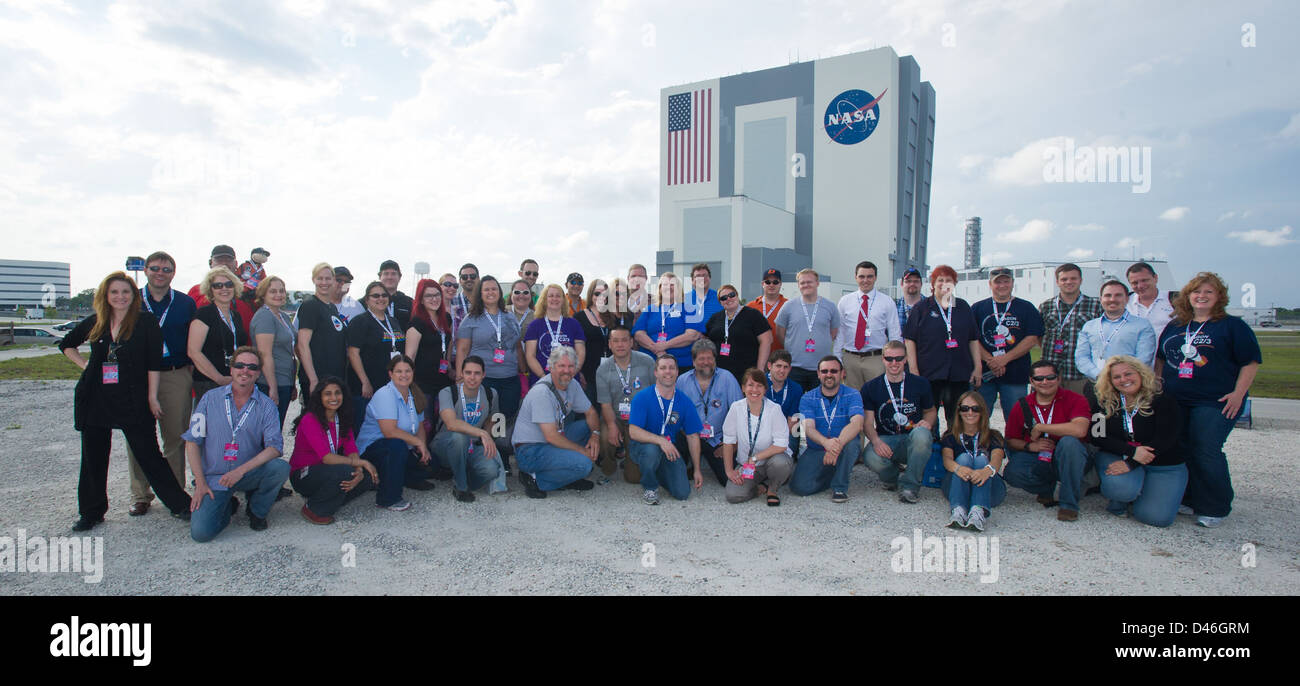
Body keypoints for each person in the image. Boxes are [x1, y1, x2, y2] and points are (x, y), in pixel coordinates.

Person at [60, 272, 193, 531]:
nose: (120, 297)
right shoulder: (96, 321)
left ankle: (179, 505)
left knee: (149, 454)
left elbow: (154, 363)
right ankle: (91, 512)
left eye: (125, 292)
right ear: (105, 296)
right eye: (114, 292)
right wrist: (85, 366)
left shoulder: (145, 322)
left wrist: (152, 397)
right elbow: (67, 344)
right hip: (96, 397)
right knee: (93, 457)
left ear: (133, 296)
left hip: (132, 397)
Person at [1154, 272, 1261, 528]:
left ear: (1218, 297)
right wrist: (1158, 381)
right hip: (1177, 398)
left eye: (1208, 292)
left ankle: (1215, 505)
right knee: (1181, 446)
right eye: (1196, 292)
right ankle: (1189, 497)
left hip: (1215, 400)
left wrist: (1238, 394)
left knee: (1205, 449)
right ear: (1188, 297)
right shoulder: (1177, 325)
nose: (1201, 297)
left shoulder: (1231, 326)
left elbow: (1251, 362)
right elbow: (1160, 357)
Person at [183, 346, 290, 541]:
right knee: (201, 533)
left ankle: (256, 511)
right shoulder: (209, 399)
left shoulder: (266, 405)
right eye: (240, 365)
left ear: (258, 373)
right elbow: (192, 442)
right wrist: (200, 482)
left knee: (280, 468)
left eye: (252, 367)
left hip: (247, 472)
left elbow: (275, 448)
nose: (245, 371)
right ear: (231, 369)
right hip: (215, 477)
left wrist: (240, 471)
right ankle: (227, 505)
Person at [124, 251, 196, 518]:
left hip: (173, 373)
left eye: (166, 269)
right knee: (137, 438)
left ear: (173, 273)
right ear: (145, 271)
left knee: (175, 437)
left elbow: (192, 339)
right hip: (137, 377)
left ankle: (175, 493)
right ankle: (141, 494)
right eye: (155, 268)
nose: (160, 273)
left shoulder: (185, 303)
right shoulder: (131, 300)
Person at [1091, 356, 1185, 527]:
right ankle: (1123, 497)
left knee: (1156, 518)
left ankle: (1144, 492)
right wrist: (1132, 452)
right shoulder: (1103, 401)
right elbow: (1098, 436)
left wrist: (1133, 463)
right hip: (1120, 456)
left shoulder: (1163, 400)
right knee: (1121, 489)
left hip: (1162, 464)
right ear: (1110, 381)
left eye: (1128, 374)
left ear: (1141, 374)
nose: (1124, 380)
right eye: (1117, 377)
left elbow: (1166, 438)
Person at [1002, 360, 1092, 521]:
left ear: (1058, 378)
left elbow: (1080, 430)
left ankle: (1068, 504)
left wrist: (1042, 427)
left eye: (1050, 377)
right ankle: (1048, 488)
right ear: (1031, 381)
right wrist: (1030, 446)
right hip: (1038, 456)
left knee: (1069, 443)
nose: (1045, 382)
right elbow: (1010, 440)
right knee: (1012, 473)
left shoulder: (1075, 400)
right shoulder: (1022, 404)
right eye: (1039, 378)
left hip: (1068, 456)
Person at [511, 345, 602, 498]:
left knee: (590, 426)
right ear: (551, 367)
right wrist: (582, 451)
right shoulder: (542, 392)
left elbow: (591, 412)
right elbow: (551, 437)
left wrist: (595, 435)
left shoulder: (573, 384)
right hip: (531, 449)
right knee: (584, 464)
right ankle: (534, 479)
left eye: (571, 366)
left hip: (552, 439)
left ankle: (566, 474)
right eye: (561, 366)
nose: (567, 370)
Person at [903, 265, 982, 436]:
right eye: (940, 280)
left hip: (959, 373)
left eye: (949, 280)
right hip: (929, 373)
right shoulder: (922, 308)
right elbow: (910, 339)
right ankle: (932, 453)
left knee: (957, 417)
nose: (944, 284)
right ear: (933, 284)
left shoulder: (963, 307)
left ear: (954, 283)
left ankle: (953, 452)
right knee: (929, 416)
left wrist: (978, 367)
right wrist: (914, 369)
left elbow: (973, 339)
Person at [288, 377, 378, 524]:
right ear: (320, 397)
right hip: (303, 474)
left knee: (367, 476)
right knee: (344, 471)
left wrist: (359, 470)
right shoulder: (310, 419)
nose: (334, 398)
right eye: (328, 394)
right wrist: (358, 462)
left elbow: (351, 449)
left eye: (338, 393)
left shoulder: (341, 418)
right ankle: (313, 508)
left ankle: (327, 500)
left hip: (326, 471)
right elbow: (327, 458)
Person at [354, 355, 436, 511]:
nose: (404, 375)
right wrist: (417, 443)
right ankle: (388, 498)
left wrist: (422, 447)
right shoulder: (385, 394)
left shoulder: (413, 395)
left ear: (413, 372)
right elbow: (389, 431)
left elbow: (419, 427)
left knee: (432, 462)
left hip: (402, 447)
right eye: (399, 371)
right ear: (390, 374)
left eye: (407, 371)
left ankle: (400, 477)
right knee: (396, 446)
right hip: (375, 449)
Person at [860, 340, 937, 503]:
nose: (894, 363)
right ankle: (891, 478)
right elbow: (867, 423)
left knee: (923, 435)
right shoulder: (870, 387)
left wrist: (927, 423)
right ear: (883, 360)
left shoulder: (920, 383)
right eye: (889, 359)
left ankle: (910, 486)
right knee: (870, 455)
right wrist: (876, 441)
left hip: (912, 437)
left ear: (906, 359)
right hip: (887, 439)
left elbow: (930, 411)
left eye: (898, 358)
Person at [627, 354, 704, 504]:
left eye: (671, 368)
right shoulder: (642, 397)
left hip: (668, 449)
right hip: (643, 447)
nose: (667, 372)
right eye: (663, 368)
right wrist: (661, 441)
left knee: (682, 493)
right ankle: (650, 487)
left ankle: (657, 472)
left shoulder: (685, 401)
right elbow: (633, 432)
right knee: (652, 451)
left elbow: (693, 436)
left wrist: (697, 469)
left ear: (677, 372)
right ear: (656, 372)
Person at [433, 356, 509, 502]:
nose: (472, 377)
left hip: (473, 445)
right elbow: (451, 423)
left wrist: (488, 437)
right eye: (468, 373)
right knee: (459, 437)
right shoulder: (448, 392)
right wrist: (481, 433)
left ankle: (462, 477)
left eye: (477, 373)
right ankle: (461, 487)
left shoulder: (491, 393)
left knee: (491, 470)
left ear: (484, 375)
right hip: (446, 444)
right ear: (461, 373)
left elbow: (492, 419)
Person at [790, 355, 864, 502]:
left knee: (853, 444)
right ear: (818, 374)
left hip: (843, 446)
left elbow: (857, 424)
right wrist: (826, 443)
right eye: (824, 371)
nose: (828, 374)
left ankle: (840, 487)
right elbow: (808, 428)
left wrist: (835, 447)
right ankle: (833, 471)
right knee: (799, 488)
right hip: (817, 448)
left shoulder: (853, 394)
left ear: (842, 373)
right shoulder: (808, 398)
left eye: (833, 371)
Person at [973, 266, 1043, 419]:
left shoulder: (1026, 308)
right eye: (998, 282)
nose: (1002, 285)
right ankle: (980, 443)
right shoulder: (978, 308)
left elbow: (1032, 338)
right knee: (978, 418)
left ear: (1012, 283)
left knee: (1016, 419)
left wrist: (1005, 359)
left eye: (1006, 281)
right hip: (985, 374)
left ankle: (1012, 444)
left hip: (1015, 374)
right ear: (990, 285)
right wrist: (991, 360)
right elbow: (971, 338)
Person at [456, 275, 526, 425]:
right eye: (486, 289)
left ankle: (498, 446)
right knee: (484, 419)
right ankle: (484, 447)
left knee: (505, 419)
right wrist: (460, 377)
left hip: (510, 378)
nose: (490, 292)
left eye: (494, 289)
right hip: (483, 379)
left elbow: (517, 346)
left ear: (499, 292)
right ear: (480, 294)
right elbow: (462, 350)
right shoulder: (471, 319)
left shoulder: (510, 317)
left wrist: (524, 370)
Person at [676, 339, 744, 486]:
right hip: (690, 436)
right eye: (701, 358)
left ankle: (703, 463)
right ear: (693, 361)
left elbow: (740, 413)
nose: (706, 362)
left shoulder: (727, 378)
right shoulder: (682, 381)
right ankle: (686, 465)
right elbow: (675, 412)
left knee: (727, 481)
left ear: (715, 359)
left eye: (709, 358)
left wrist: (731, 444)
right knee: (676, 443)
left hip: (718, 439)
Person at [721, 368, 794, 505]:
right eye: (750, 385)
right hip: (747, 465)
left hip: (771, 461)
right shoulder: (736, 408)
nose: (755, 390)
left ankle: (772, 489)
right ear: (743, 388)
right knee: (733, 496)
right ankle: (761, 488)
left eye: (759, 385)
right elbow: (728, 440)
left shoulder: (774, 409)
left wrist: (755, 458)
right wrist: (729, 470)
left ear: (765, 389)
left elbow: (781, 444)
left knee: (781, 463)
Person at [939, 392, 1007, 531]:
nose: (970, 412)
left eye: (975, 409)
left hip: (989, 489)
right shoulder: (950, 436)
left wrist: (986, 471)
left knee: (981, 459)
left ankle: (978, 512)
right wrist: (959, 468)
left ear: (982, 411)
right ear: (958, 411)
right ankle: (958, 511)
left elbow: (997, 458)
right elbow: (947, 460)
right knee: (964, 458)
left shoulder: (993, 436)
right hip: (957, 486)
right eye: (965, 408)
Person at [595, 326, 654, 482]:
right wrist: (613, 426)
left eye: (624, 340)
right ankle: (609, 462)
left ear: (631, 342)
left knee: (634, 479)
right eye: (615, 341)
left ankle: (630, 460)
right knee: (607, 435)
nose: (620, 345)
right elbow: (605, 404)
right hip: (615, 417)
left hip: (640, 420)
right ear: (609, 344)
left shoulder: (647, 362)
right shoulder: (602, 369)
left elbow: (657, 393)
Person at [347, 281, 407, 429]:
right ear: (367, 300)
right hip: (367, 387)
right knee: (364, 426)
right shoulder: (360, 322)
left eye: (384, 295)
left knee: (387, 426)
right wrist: (364, 381)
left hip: (389, 385)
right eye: (375, 296)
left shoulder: (393, 322)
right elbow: (353, 353)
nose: (380, 298)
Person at [837, 260, 902, 391]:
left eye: (869, 276)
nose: (865, 280)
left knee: (877, 397)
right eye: (861, 276)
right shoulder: (845, 301)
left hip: (876, 358)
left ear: (875, 278)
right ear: (856, 277)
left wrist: (895, 359)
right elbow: (840, 332)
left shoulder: (886, 301)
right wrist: (838, 359)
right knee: (853, 399)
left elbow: (894, 332)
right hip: (851, 358)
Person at [1038, 263, 1102, 395]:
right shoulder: (1046, 306)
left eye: (1073, 278)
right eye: (1064, 279)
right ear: (1057, 282)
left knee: (1080, 413)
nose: (1069, 282)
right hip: (1051, 373)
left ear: (1081, 280)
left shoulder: (1095, 305)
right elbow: (1039, 335)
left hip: (1080, 373)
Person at [187, 266, 250, 400]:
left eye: (229, 284)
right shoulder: (204, 314)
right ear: (210, 290)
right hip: (209, 383)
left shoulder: (236, 316)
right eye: (218, 285)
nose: (224, 289)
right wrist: (219, 378)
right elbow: (193, 352)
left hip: (234, 380)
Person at [1075, 280, 1156, 383]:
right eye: (1108, 295)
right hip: (1096, 383)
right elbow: (1081, 357)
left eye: (1118, 295)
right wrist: (1099, 375)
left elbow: (1144, 358)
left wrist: (1120, 378)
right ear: (1101, 299)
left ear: (1127, 299)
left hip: (1128, 384)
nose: (1112, 299)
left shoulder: (1142, 325)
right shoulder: (1089, 326)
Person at [774, 268, 838, 393]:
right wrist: (792, 345)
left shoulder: (830, 306)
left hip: (821, 368)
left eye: (810, 282)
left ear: (817, 283)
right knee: (795, 406)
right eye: (802, 283)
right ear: (798, 285)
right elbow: (780, 333)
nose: (806, 285)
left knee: (819, 405)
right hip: (795, 367)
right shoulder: (788, 306)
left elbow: (833, 333)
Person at [296, 263, 349, 398]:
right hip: (318, 378)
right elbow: (302, 345)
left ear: (333, 280)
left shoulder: (332, 308)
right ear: (313, 280)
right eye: (320, 278)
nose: (324, 282)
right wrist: (313, 380)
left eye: (328, 278)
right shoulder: (310, 306)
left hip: (334, 377)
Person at [250, 276, 297, 426]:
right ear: (263, 294)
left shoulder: (282, 316)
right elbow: (265, 354)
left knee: (277, 429)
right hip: (269, 383)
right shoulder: (265, 316)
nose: (279, 295)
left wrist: (292, 384)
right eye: (273, 291)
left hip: (285, 380)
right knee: (269, 431)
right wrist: (273, 387)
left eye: (281, 291)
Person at [633, 272, 703, 371]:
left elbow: (692, 335)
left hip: (680, 365)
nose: (668, 287)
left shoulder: (689, 309)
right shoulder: (650, 309)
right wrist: (658, 351)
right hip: (650, 363)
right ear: (660, 288)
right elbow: (638, 334)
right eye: (665, 284)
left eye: (672, 285)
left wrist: (665, 345)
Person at [706, 282, 772, 382]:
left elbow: (767, 341)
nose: (728, 299)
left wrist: (760, 369)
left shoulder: (753, 315)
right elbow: (707, 341)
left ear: (737, 295)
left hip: (746, 373)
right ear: (720, 302)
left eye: (731, 295)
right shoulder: (715, 318)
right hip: (719, 374)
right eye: (723, 298)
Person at [404, 277, 454, 406]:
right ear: (420, 299)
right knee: (426, 423)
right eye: (428, 296)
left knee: (442, 422)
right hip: (423, 384)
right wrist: (407, 383)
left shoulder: (446, 319)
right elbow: (410, 357)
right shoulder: (417, 323)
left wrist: (449, 366)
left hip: (443, 380)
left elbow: (448, 343)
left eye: (437, 294)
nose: (434, 299)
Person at [525, 283, 587, 385]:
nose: (555, 299)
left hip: (569, 380)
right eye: (551, 296)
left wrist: (571, 373)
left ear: (563, 300)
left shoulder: (574, 324)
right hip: (542, 381)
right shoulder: (535, 325)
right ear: (544, 300)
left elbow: (580, 353)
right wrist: (544, 378)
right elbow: (530, 355)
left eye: (558, 296)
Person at [189, 244, 253, 338]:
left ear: (236, 264)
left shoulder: (248, 294)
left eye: (228, 260)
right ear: (211, 263)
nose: (224, 263)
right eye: (219, 260)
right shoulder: (196, 291)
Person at [765, 350, 804, 457]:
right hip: (761, 429)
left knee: (783, 455)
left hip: (786, 431)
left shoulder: (796, 388)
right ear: (769, 366)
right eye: (778, 366)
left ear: (790, 369)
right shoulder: (760, 383)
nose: (782, 370)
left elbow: (792, 421)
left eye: (785, 367)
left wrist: (779, 440)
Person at [1126, 261, 1176, 336]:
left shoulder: (1174, 300)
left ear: (1155, 278)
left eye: (1144, 280)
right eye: (1135, 283)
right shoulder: (1125, 302)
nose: (1140, 286)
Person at [747, 268, 788, 350]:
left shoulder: (788, 305)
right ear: (762, 284)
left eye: (775, 282)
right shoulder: (750, 306)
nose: (771, 285)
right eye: (768, 282)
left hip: (781, 356)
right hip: (756, 355)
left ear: (780, 284)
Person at [684, 263, 722, 328]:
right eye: (698, 276)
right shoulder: (684, 299)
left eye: (704, 275)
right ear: (692, 280)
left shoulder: (720, 297)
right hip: (690, 336)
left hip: (713, 337)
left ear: (709, 278)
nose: (702, 278)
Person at [378, 260, 413, 330]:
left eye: (393, 274)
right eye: (386, 273)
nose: (389, 277)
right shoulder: (368, 302)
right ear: (380, 277)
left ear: (399, 277)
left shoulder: (410, 303)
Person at [441, 272, 467, 338]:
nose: (452, 288)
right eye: (448, 284)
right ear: (439, 286)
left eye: (455, 286)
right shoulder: (433, 310)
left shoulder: (460, 312)